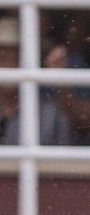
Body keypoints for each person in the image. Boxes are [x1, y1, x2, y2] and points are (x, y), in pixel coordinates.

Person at [0, 16, 73, 146]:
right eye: (2, 56)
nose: (6, 63)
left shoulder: (49, 113)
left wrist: (61, 80)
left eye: (13, 56)